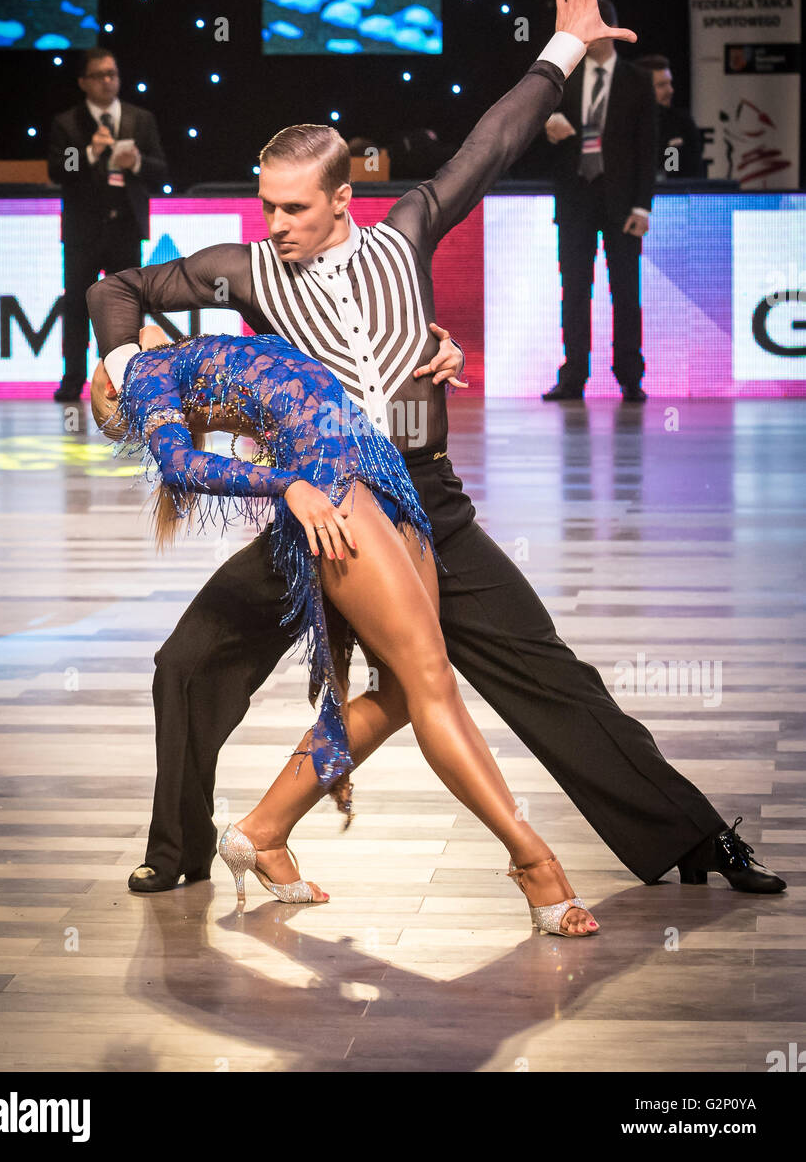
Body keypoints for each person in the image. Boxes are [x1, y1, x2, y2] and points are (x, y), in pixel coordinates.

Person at [87, 0, 784, 901]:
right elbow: (114, 287)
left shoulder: (403, 235)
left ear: (342, 199)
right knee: (188, 663)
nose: (275, 224)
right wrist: (124, 366)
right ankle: (179, 853)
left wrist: (566, 46)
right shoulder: (245, 271)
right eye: (266, 206)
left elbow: (489, 147)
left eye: (294, 208)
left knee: (546, 675)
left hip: (424, 505)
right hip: (320, 512)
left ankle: (694, 840)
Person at [89, 326, 600, 936]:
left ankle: (262, 832)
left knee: (405, 694)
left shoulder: (160, 352)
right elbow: (177, 462)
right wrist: (289, 485)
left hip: (386, 481)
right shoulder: (148, 377)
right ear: (119, 390)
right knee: (431, 680)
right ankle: (535, 863)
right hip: (333, 492)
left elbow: (129, 307)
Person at [541, 0, 657, 403]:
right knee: (574, 289)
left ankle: (630, 375)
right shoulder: (563, 79)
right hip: (575, 199)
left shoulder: (637, 80)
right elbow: (542, 135)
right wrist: (547, 124)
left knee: (626, 292)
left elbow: (648, 148)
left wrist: (644, 206)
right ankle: (573, 376)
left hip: (623, 203)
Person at [47, 47, 168, 403]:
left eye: (112, 74)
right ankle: (73, 381)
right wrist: (87, 154)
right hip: (84, 229)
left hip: (125, 227)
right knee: (77, 304)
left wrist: (137, 162)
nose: (108, 81)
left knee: (127, 306)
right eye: (99, 75)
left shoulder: (139, 119)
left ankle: (128, 379)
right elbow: (58, 170)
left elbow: (161, 168)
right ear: (84, 82)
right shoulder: (67, 123)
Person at [634, 53, 704, 179]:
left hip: (676, 196)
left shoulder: (682, 123)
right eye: (661, 85)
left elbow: (694, 173)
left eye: (669, 83)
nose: (670, 90)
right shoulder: (624, 124)